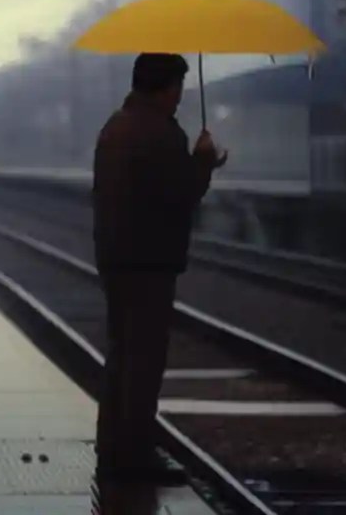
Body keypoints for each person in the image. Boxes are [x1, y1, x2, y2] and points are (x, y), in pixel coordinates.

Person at [92, 53, 226, 485]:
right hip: (148, 261)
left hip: (116, 256)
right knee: (145, 362)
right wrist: (202, 161)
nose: (181, 96)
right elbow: (179, 193)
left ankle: (113, 449)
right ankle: (135, 458)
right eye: (178, 87)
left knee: (121, 356)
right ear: (165, 87)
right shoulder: (159, 133)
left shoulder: (116, 125)